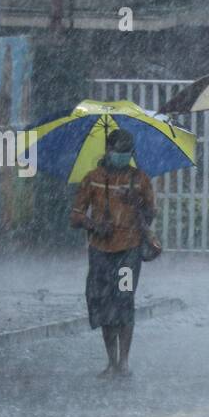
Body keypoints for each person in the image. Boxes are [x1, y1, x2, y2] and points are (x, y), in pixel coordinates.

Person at [69, 128, 155, 378]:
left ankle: (124, 361)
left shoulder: (140, 180)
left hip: (129, 251)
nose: (123, 158)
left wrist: (135, 201)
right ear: (108, 150)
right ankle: (111, 361)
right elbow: (75, 215)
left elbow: (151, 214)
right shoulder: (92, 178)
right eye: (119, 152)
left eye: (127, 153)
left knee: (124, 300)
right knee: (104, 305)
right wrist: (94, 225)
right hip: (100, 252)